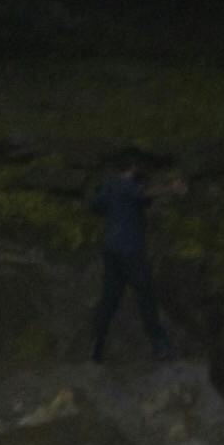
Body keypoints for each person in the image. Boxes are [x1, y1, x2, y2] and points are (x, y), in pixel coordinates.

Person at [89, 148, 175, 363]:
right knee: (145, 295)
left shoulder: (109, 186)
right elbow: (144, 195)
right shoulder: (128, 186)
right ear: (133, 167)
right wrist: (170, 188)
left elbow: (95, 205)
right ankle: (159, 344)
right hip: (131, 250)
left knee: (109, 298)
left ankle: (96, 346)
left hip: (111, 250)